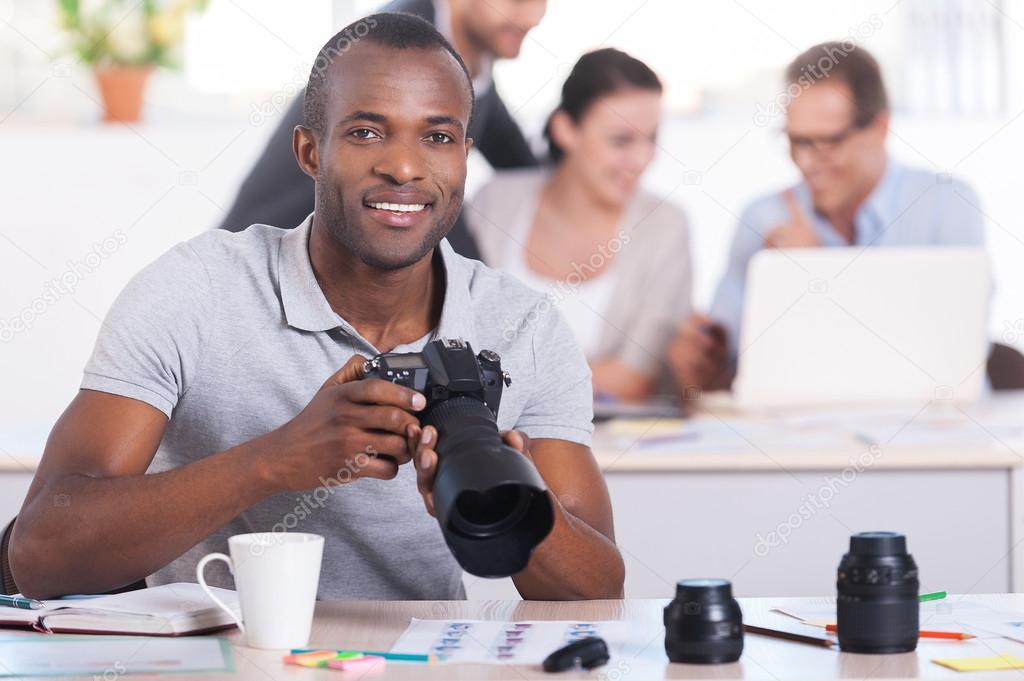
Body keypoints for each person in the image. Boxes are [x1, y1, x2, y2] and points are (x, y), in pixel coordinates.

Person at [10, 13, 624, 602]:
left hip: (415, 662)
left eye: (436, 137)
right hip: (224, 657)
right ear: (309, 151)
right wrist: (275, 460)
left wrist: (504, 498)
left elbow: (600, 589)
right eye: (365, 132)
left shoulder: (523, 326)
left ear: (464, 155)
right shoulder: (196, 289)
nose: (404, 166)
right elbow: (38, 554)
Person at [668, 42, 986, 394]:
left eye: (828, 142)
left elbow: (949, 350)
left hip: (936, 431)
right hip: (798, 437)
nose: (807, 162)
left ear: (880, 128)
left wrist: (820, 273)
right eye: (797, 141)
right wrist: (701, 361)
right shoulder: (764, 217)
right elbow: (727, 368)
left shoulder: (945, 205)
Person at [216, 0, 547, 261]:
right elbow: (426, 197)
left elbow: (517, 159)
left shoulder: (472, 66)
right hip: (268, 271)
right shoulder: (402, 50)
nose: (534, 15)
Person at [467, 48, 691, 402]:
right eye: (621, 140)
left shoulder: (664, 225)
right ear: (565, 129)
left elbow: (634, 379)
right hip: (495, 448)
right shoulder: (493, 203)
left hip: (613, 451)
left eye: (652, 139)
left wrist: (495, 381)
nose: (642, 159)